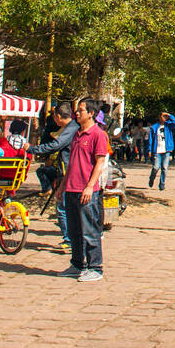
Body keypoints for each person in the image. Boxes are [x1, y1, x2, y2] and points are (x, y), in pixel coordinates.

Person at [60, 98, 109, 281]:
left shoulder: (97, 134)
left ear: (91, 113)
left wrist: (90, 186)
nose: (77, 113)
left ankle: (95, 267)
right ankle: (78, 264)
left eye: (81, 110)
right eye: (77, 110)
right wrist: (63, 184)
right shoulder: (76, 134)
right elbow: (72, 161)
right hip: (71, 188)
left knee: (90, 230)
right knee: (74, 231)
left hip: (87, 190)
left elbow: (100, 162)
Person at [28, 103, 79, 253]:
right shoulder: (72, 127)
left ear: (58, 116)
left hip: (68, 172)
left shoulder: (70, 129)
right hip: (67, 171)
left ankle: (69, 240)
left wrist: (32, 149)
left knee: (62, 206)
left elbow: (55, 145)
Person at [148, 111, 175, 191]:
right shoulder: (154, 127)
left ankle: (162, 184)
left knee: (164, 168)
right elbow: (151, 140)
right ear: (159, 117)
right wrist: (150, 150)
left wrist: (169, 115)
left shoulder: (168, 125)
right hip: (157, 150)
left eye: (165, 117)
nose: (164, 118)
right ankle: (152, 178)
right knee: (155, 167)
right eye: (163, 116)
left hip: (166, 150)